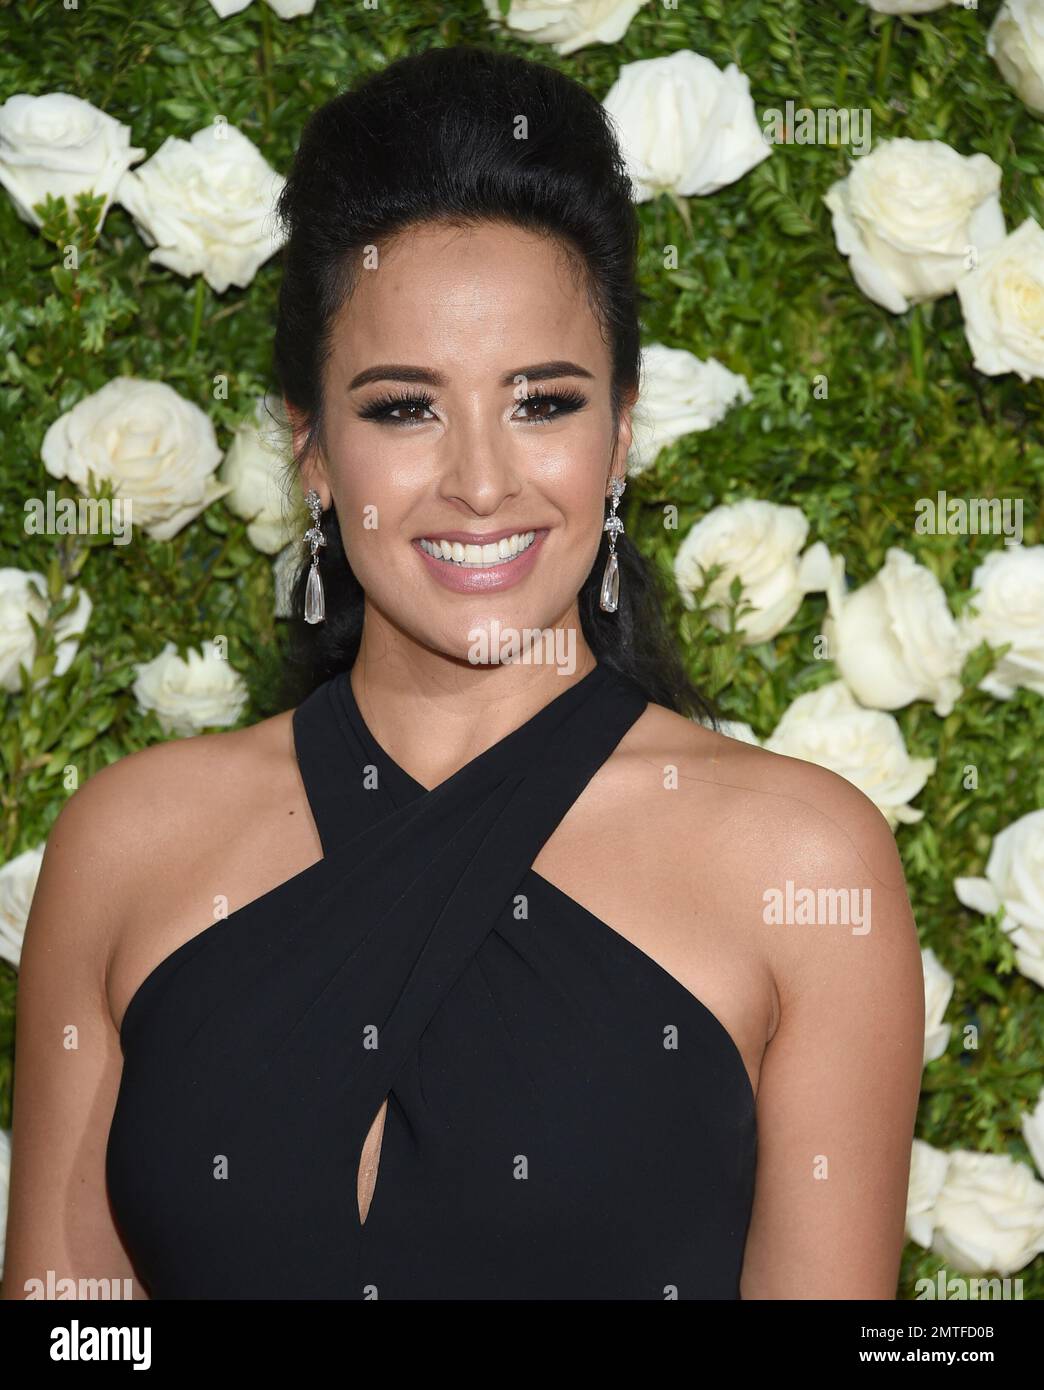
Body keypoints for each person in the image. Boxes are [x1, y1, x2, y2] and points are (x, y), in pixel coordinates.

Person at [2, 45, 924, 1301]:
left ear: (624, 432)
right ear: (311, 450)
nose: (481, 482)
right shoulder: (126, 843)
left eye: (542, 402)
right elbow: (70, 1331)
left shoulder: (803, 864)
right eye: (402, 408)